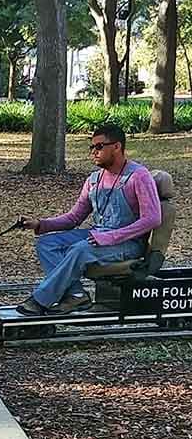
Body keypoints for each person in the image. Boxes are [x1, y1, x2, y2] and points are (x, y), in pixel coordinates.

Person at [16, 123, 162, 315]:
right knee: (46, 243)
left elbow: (152, 218)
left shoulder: (138, 176)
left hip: (128, 243)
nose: (94, 152)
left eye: (99, 147)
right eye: (91, 147)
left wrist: (110, 238)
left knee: (81, 249)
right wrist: (41, 224)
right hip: (97, 236)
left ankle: (40, 300)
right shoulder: (94, 179)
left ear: (117, 147)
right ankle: (77, 295)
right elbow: (74, 217)